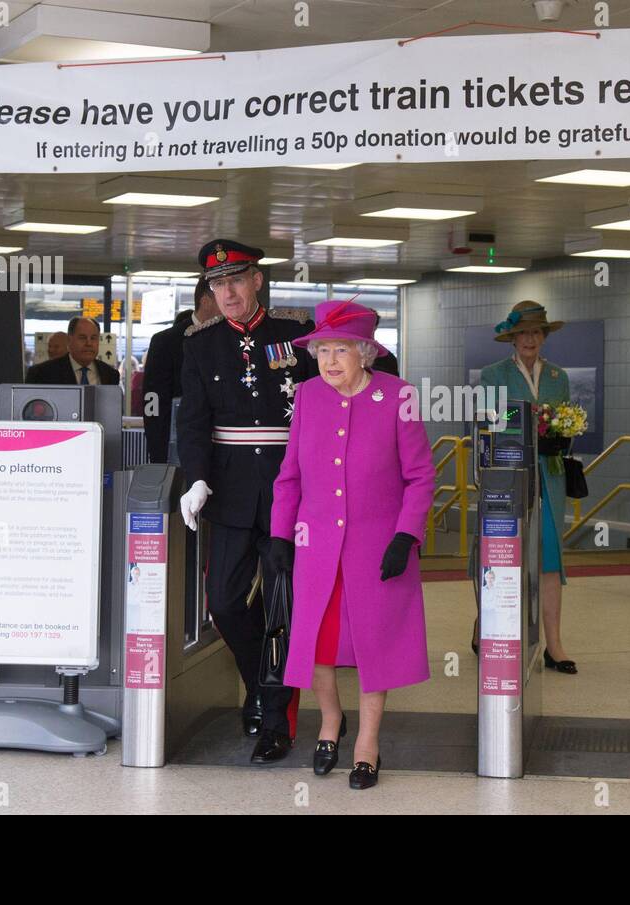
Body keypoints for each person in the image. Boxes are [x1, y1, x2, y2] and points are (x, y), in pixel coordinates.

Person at [269, 299, 436, 789]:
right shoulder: (307, 397)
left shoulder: (398, 395)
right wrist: (280, 536)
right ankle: (330, 721)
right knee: (317, 646)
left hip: (378, 547)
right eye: (322, 350)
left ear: (365, 352)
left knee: (373, 646)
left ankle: (368, 743)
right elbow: (289, 477)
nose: (330, 360)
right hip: (316, 546)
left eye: (341, 349)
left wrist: (407, 534)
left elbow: (421, 477)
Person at [176, 239, 317, 763]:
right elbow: (193, 421)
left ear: (257, 280)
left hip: (290, 487)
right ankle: (260, 683)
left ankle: (276, 718)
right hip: (231, 492)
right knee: (226, 601)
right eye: (218, 284)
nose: (228, 291)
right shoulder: (200, 344)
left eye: (237, 280)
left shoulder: (295, 334)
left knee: (286, 606)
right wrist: (196, 479)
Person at [478, 301, 575, 673]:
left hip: (549, 480)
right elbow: (488, 426)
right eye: (523, 332)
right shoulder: (493, 375)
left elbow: (566, 424)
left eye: (536, 332)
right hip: (509, 478)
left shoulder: (558, 378)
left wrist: (559, 436)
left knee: (549, 559)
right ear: (512, 338)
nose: (530, 339)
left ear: (544, 336)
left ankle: (555, 645)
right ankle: (485, 629)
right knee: (503, 559)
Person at [143, 279, 219, 463]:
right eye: (221, 297)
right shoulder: (167, 341)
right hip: (180, 446)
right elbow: (153, 401)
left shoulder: (231, 339)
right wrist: (160, 453)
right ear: (205, 301)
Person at [26, 317, 119, 385]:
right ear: (69, 340)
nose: (89, 343)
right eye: (82, 338)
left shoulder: (111, 375)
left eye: (93, 338)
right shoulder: (41, 373)